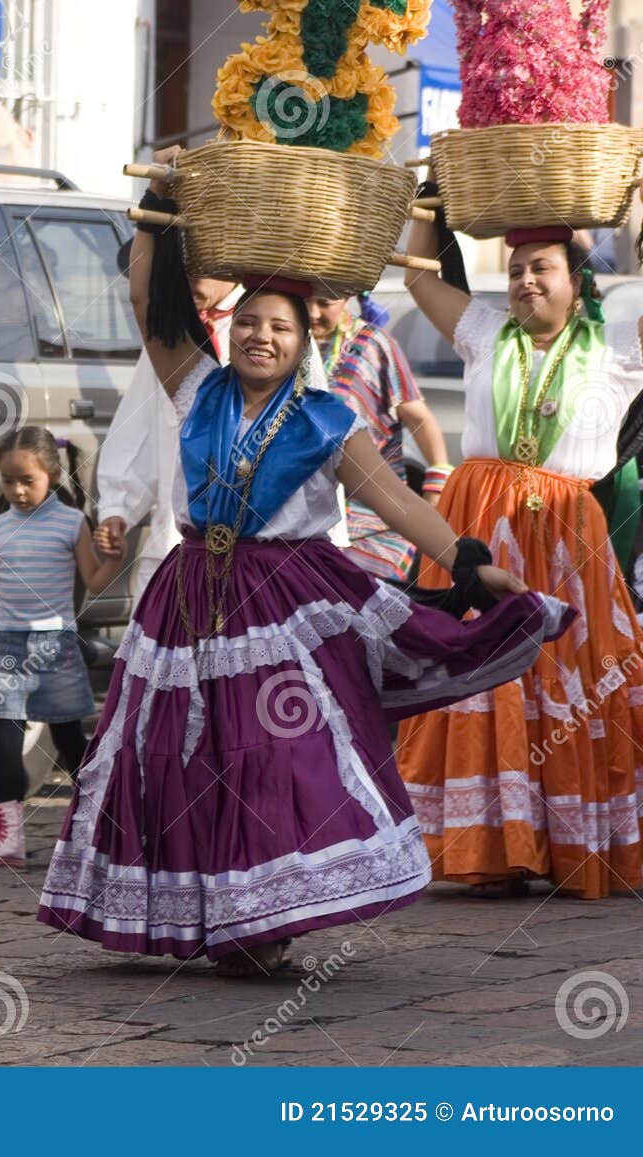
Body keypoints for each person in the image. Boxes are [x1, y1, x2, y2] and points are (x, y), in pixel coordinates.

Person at [38, 147, 574, 976]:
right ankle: (200, 915)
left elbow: (398, 503)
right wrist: (158, 202)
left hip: (280, 604)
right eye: (250, 322)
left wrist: (468, 564)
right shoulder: (198, 387)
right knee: (177, 755)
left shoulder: (328, 420)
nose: (261, 336)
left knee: (274, 754)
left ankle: (262, 924)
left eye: (280, 327)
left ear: (301, 341)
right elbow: (148, 299)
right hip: (187, 598)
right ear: (231, 331)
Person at [396, 215, 643, 900]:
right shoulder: (484, 333)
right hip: (478, 528)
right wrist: (431, 202)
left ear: (577, 282)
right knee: (482, 674)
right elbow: (418, 279)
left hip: (568, 537)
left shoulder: (617, 352)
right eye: (515, 270)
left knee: (568, 680)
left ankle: (561, 842)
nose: (526, 281)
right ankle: (493, 849)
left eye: (542, 268)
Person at [0, 426, 118, 867]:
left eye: (28, 480)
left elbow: (95, 580)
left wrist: (115, 559)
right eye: (8, 481)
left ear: (53, 475)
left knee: (68, 737)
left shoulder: (71, 523)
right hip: (8, 641)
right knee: (4, 735)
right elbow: (3, 581)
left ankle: (101, 824)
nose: (18, 491)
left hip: (56, 644)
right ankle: (10, 838)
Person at [96, 277, 240, 600]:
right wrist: (118, 507)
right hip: (174, 546)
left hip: (249, 553)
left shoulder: (272, 325)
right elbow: (139, 426)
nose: (189, 275)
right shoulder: (171, 333)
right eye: (180, 265)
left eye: (199, 263)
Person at [308, 293, 451, 582]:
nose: (313, 313)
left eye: (325, 303)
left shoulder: (373, 344)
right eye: (305, 301)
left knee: (365, 599)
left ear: (347, 298)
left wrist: (436, 487)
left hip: (372, 520)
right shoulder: (288, 344)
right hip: (309, 519)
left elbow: (418, 417)